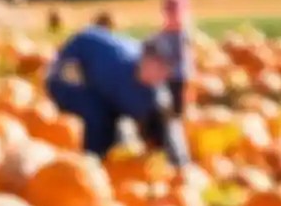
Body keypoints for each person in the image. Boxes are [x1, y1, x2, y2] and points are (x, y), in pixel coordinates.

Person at [45, 25, 188, 166]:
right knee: (97, 118)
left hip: (105, 85)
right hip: (72, 74)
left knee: (137, 125)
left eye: (167, 69)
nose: (164, 73)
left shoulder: (156, 92)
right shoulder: (114, 67)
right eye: (160, 67)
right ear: (146, 60)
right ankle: (93, 162)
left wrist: (179, 162)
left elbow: (168, 125)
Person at [148, 0, 193, 117]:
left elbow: (177, 54)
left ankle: (179, 121)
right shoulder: (167, 32)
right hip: (169, 74)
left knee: (177, 102)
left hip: (178, 74)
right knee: (169, 102)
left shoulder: (181, 32)